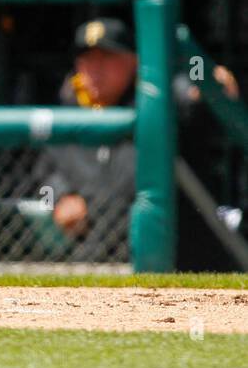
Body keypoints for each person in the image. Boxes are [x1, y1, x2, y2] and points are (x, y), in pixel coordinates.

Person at [43, 17, 241, 268]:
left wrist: (206, 77)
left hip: (176, 265)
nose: (95, 68)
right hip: (94, 266)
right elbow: (41, 186)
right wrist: (58, 200)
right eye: (87, 58)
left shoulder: (162, 103)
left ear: (133, 60)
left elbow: (193, 77)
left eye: (107, 57)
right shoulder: (65, 117)